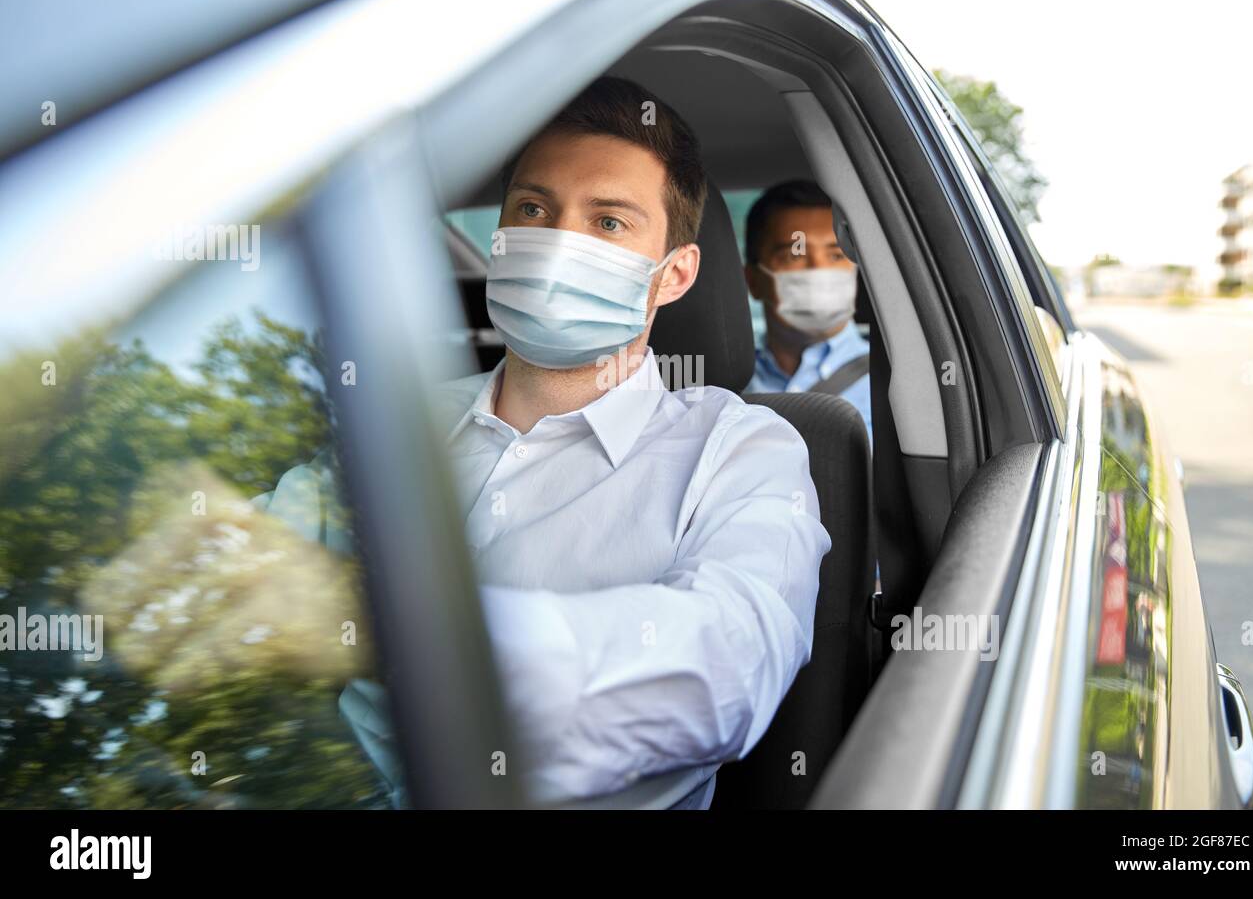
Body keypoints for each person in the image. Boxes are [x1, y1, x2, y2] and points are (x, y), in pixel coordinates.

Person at [260, 77, 830, 809]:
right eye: (533, 209)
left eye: (609, 224)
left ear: (675, 275)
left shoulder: (742, 449)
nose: (558, 243)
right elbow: (252, 556)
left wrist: (403, 632)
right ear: (497, 237)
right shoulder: (399, 423)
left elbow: (727, 667)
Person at [743, 180, 872, 440]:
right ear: (753, 281)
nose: (817, 270)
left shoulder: (893, 385)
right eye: (794, 255)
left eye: (836, 256)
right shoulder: (721, 387)